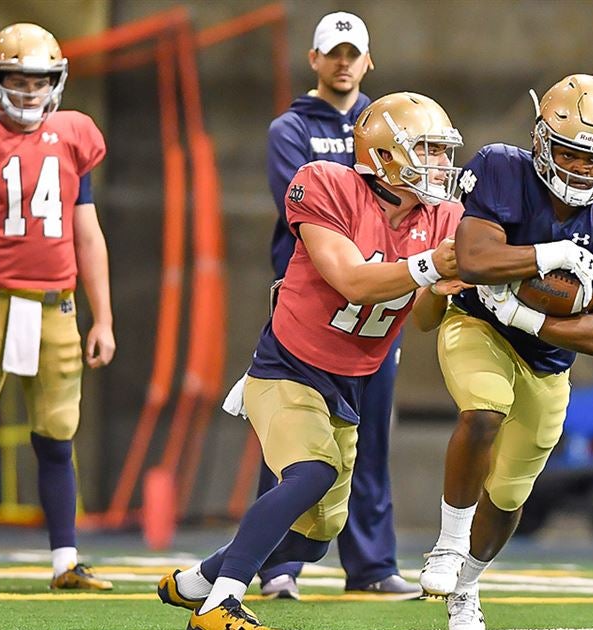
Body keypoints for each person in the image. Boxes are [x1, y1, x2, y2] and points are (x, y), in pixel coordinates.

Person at [156, 92, 465, 630]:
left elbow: (420, 317)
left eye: (443, 151)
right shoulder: (328, 184)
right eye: (428, 150)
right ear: (383, 157)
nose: (440, 164)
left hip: (353, 381)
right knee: (311, 472)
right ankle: (217, 605)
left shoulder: (442, 218)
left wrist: (443, 286)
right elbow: (348, 278)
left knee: (317, 533)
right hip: (288, 367)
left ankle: (197, 581)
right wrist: (429, 265)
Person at [416, 74, 593, 630]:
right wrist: (548, 255)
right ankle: (449, 545)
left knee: (508, 495)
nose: (583, 169)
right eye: (572, 154)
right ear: (542, 141)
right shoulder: (502, 167)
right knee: (483, 410)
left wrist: (521, 310)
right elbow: (476, 262)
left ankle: (467, 589)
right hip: (477, 325)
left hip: (547, 358)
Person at [0, 22, 115, 591]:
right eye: (16, 78)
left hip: (56, 306)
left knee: (57, 435)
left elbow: (88, 233)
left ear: (56, 81)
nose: (29, 91)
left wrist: (103, 316)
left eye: (39, 80)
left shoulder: (74, 133)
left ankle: (65, 561)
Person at [260, 10, 416, 599]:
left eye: (354, 54)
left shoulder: (396, 124)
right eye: (335, 54)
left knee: (370, 435)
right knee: (291, 436)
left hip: (376, 307)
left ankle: (372, 567)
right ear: (315, 61)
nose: (344, 63)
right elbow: (302, 211)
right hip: (310, 302)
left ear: (368, 60)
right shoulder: (290, 129)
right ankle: (277, 566)